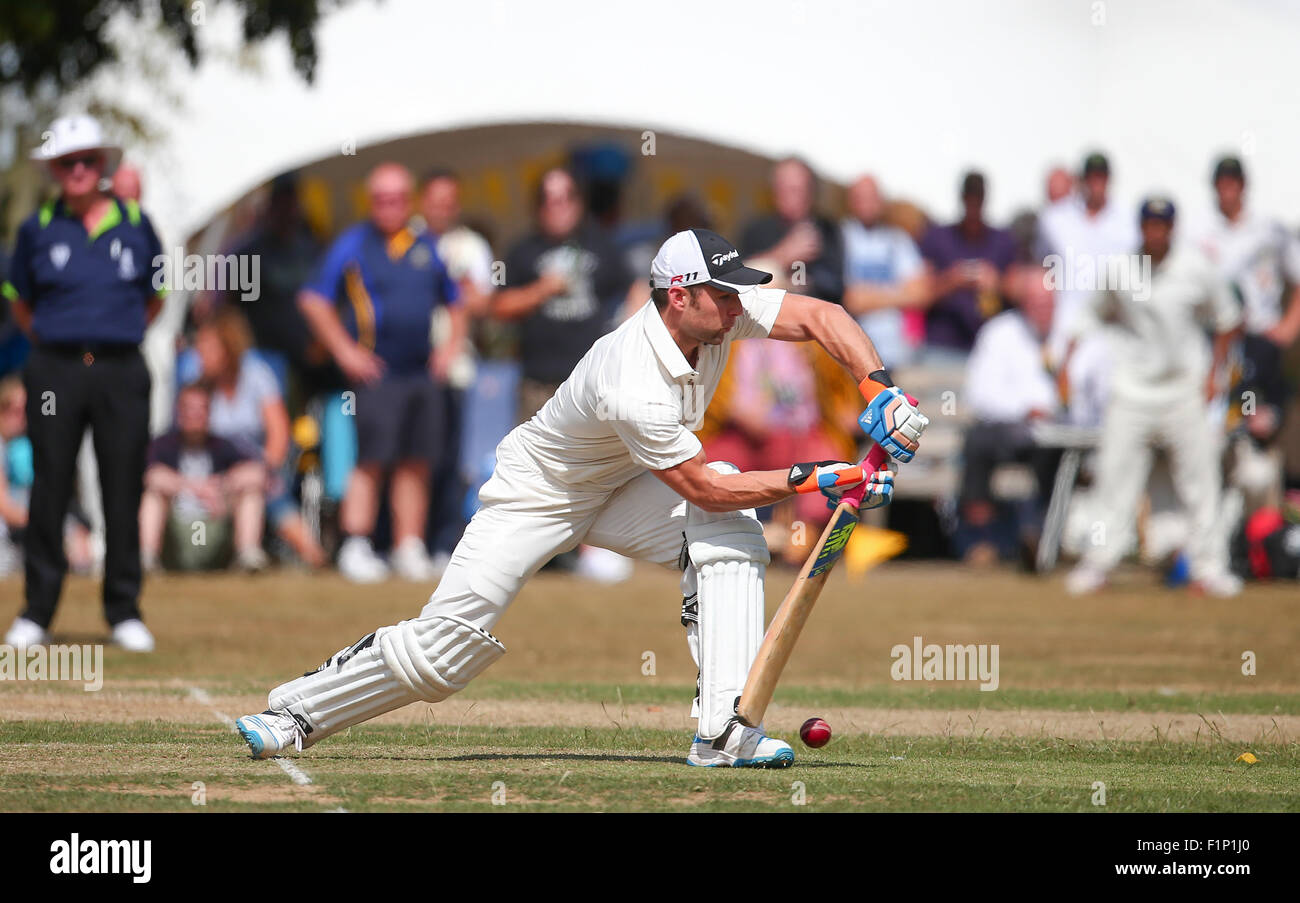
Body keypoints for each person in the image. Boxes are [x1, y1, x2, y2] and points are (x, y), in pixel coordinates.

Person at [235, 228, 927, 768]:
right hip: (541, 491)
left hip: (622, 482)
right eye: (723, 293)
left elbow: (819, 315)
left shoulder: (721, 314)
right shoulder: (631, 374)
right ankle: (294, 712)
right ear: (677, 296)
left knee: (736, 535)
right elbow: (703, 486)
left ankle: (724, 731)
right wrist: (823, 476)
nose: (738, 304)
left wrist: (879, 388)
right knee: (444, 657)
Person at [2, 115, 162, 652]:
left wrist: (112, 335)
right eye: (66, 162)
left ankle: (123, 610)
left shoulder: (137, 222)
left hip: (121, 368)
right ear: (53, 169)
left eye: (86, 160)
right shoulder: (36, 228)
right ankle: (37, 611)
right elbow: (20, 301)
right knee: (50, 483)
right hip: (56, 369)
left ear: (102, 166)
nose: (77, 170)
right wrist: (59, 341)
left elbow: (155, 296)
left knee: (123, 487)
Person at [1063, 198, 1242, 597]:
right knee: (1114, 478)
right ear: (1141, 227)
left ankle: (1209, 567)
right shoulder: (1122, 269)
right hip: (1131, 391)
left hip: (1185, 389)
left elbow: (1228, 318)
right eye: (1149, 225)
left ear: (1172, 228)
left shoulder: (1196, 267)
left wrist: (1216, 373)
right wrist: (1066, 361)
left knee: (1200, 480)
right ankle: (1099, 564)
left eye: (1162, 225)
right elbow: (1091, 313)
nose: (1155, 232)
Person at [298, 163, 461, 583]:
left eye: (397, 199)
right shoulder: (354, 244)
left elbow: (456, 300)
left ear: (410, 201)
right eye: (381, 199)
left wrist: (450, 348)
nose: (389, 207)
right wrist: (345, 351)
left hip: (421, 372)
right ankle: (356, 543)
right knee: (371, 458)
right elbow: (314, 300)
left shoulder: (426, 245)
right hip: (376, 373)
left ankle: (409, 545)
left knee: (416, 462)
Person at [1197, 155, 1300, 506]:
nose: (1227, 190)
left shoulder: (1268, 229)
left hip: (1259, 342)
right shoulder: (1203, 235)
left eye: (1233, 182)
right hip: (1218, 342)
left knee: (1259, 423)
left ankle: (1271, 518)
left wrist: (1287, 327)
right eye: (1221, 183)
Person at [189, 307, 325, 569]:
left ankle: (260, 556)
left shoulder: (256, 375)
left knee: (259, 486)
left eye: (207, 346)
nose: (200, 354)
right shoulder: (195, 381)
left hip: (258, 469)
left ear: (227, 348)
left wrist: (258, 470)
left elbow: (279, 436)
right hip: (207, 473)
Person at [492, 167, 631, 422]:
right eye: (549, 199)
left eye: (567, 197)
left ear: (579, 203)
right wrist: (540, 290)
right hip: (539, 383)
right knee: (534, 460)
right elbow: (500, 307)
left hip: (591, 382)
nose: (559, 206)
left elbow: (635, 286)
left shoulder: (602, 245)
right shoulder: (523, 250)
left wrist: (625, 332)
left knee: (592, 460)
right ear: (538, 206)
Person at [958, 266, 1063, 564]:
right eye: (1037, 303)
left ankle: (1039, 535)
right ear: (1024, 303)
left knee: (1054, 450)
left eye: (1049, 303)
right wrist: (1026, 410)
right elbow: (981, 395)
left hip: (1055, 434)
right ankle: (981, 541)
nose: (1044, 311)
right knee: (976, 442)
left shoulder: (1071, 334)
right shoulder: (999, 333)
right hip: (1008, 430)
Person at [139, 383, 264, 571]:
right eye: (189, 409)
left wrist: (222, 487)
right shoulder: (162, 446)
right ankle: (147, 559)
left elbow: (257, 473)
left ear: (209, 413)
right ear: (178, 412)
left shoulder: (223, 446)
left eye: (201, 409)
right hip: (177, 531)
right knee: (152, 496)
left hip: (214, 525)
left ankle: (247, 557)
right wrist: (195, 488)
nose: (195, 415)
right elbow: (151, 476)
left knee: (251, 493)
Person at [917, 171, 1017, 358]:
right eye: (969, 198)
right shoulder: (937, 237)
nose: (973, 205)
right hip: (943, 347)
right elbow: (919, 294)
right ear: (962, 199)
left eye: (977, 199)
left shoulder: (1003, 240)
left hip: (990, 345)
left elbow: (1020, 291)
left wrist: (997, 283)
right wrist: (952, 280)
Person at [840, 175, 928, 368]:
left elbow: (921, 294)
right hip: (851, 353)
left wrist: (869, 296)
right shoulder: (841, 237)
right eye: (860, 197)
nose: (867, 204)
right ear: (851, 201)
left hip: (897, 354)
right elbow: (850, 299)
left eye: (872, 197)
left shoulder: (898, 239)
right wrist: (899, 293)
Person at [741, 157, 844, 303]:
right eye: (782, 189)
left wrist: (805, 284)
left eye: (796, 190)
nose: (789, 197)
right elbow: (740, 277)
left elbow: (836, 286)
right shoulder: (755, 230)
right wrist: (783, 255)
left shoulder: (827, 230)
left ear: (811, 192)